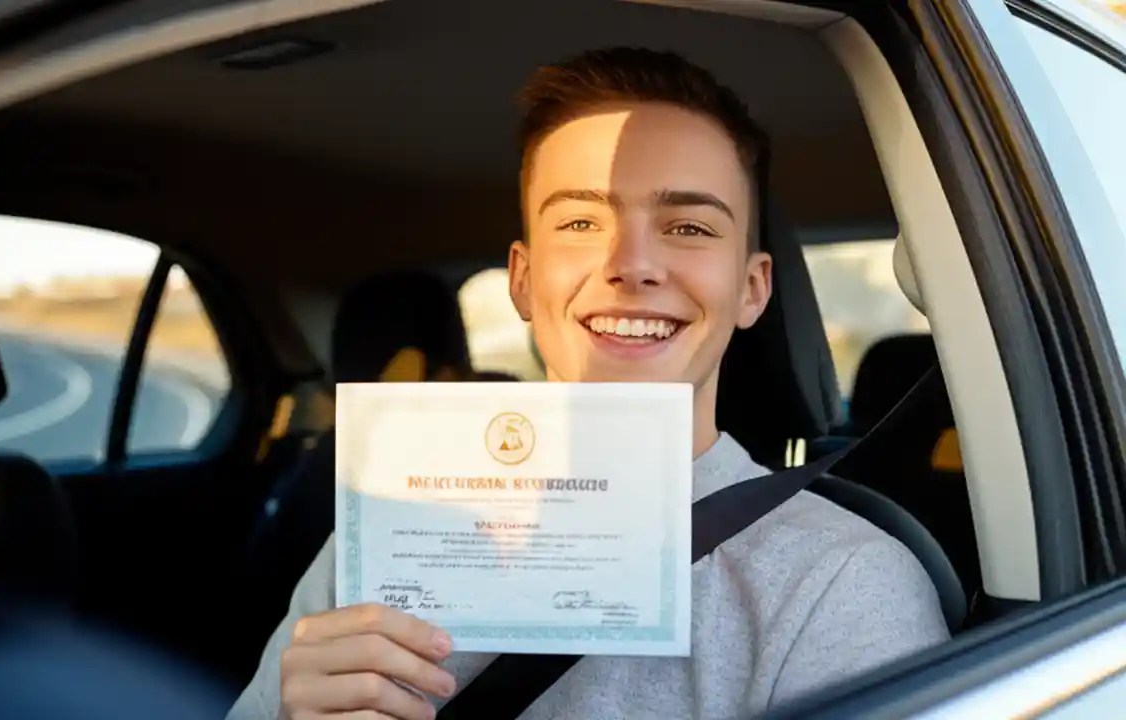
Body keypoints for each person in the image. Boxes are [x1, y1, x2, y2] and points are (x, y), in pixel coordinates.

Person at [228, 47, 948, 720]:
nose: (629, 263)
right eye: (579, 220)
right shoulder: (386, 537)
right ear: (523, 279)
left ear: (753, 289)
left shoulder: (841, 583)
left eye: (689, 228)